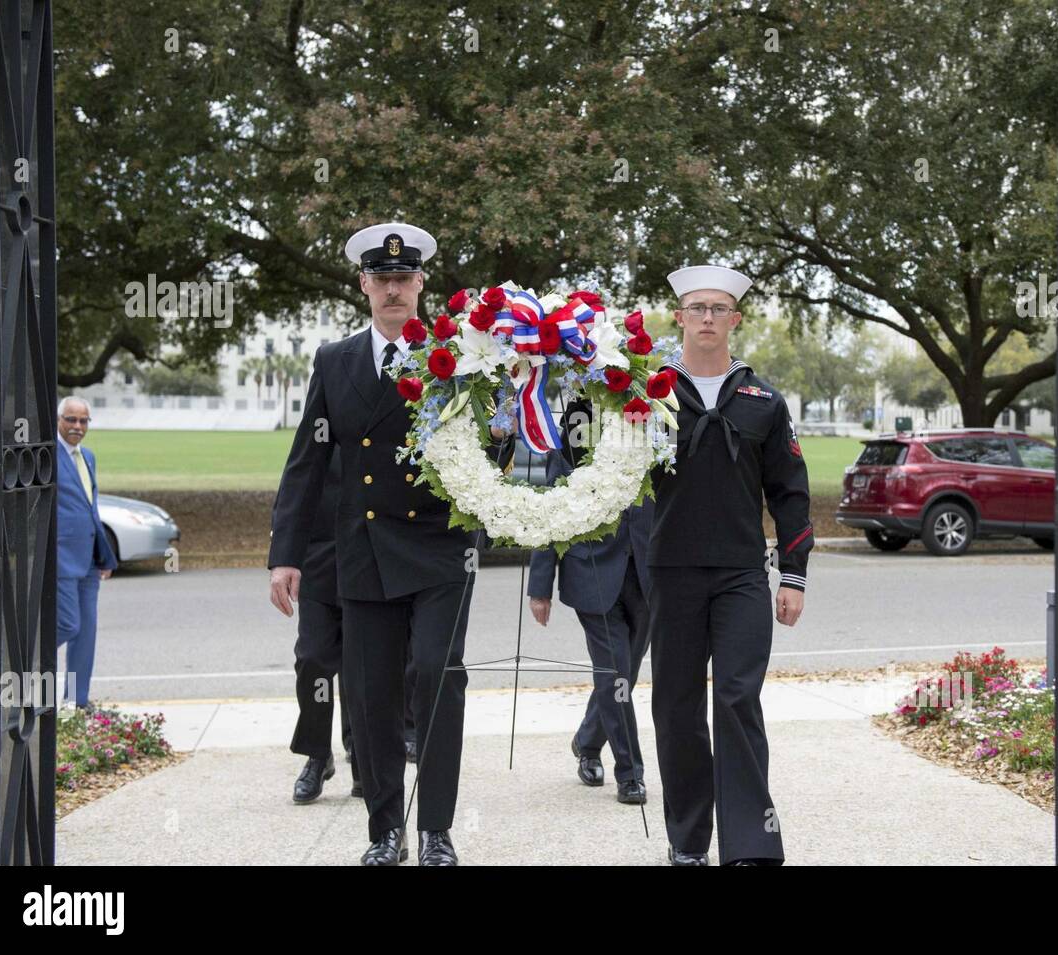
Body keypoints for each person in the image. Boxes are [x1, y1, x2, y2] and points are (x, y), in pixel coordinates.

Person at [268, 222, 510, 866]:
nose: (394, 290)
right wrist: (286, 554)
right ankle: (384, 831)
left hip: (438, 547)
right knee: (371, 695)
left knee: (436, 675)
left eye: (405, 279)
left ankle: (435, 829)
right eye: (383, 279)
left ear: (422, 284)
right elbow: (307, 464)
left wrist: (507, 412)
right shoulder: (335, 360)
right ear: (364, 285)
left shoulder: (460, 357)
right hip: (364, 549)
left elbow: (493, 446)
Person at [648, 265, 812, 866]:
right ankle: (688, 842)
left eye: (720, 309)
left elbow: (790, 492)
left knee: (739, 700)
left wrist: (792, 575)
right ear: (681, 318)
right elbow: (605, 469)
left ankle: (750, 846)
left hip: (743, 575)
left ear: (736, 320)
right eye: (698, 308)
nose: (709, 318)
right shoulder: (648, 397)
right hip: (671, 573)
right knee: (676, 707)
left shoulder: (763, 401)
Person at [527, 401, 653, 804]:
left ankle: (587, 740)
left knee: (624, 675)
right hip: (592, 568)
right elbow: (553, 501)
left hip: (648, 568)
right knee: (614, 671)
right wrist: (540, 583)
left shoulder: (650, 406)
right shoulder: (578, 417)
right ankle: (630, 772)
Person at [284, 444, 419, 804]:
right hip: (320, 560)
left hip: (370, 559)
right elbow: (297, 482)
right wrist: (284, 556)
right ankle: (317, 754)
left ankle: (363, 758)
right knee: (312, 658)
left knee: (365, 667)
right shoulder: (323, 423)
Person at [55, 396, 118, 712]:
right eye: (71, 419)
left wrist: (104, 555)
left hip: (90, 561)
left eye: (83, 421)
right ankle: (19, 663)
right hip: (60, 559)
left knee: (86, 634)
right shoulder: (47, 455)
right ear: (58, 420)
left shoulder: (88, 456)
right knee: (67, 625)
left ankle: (77, 701)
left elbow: (90, 510)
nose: (77, 427)